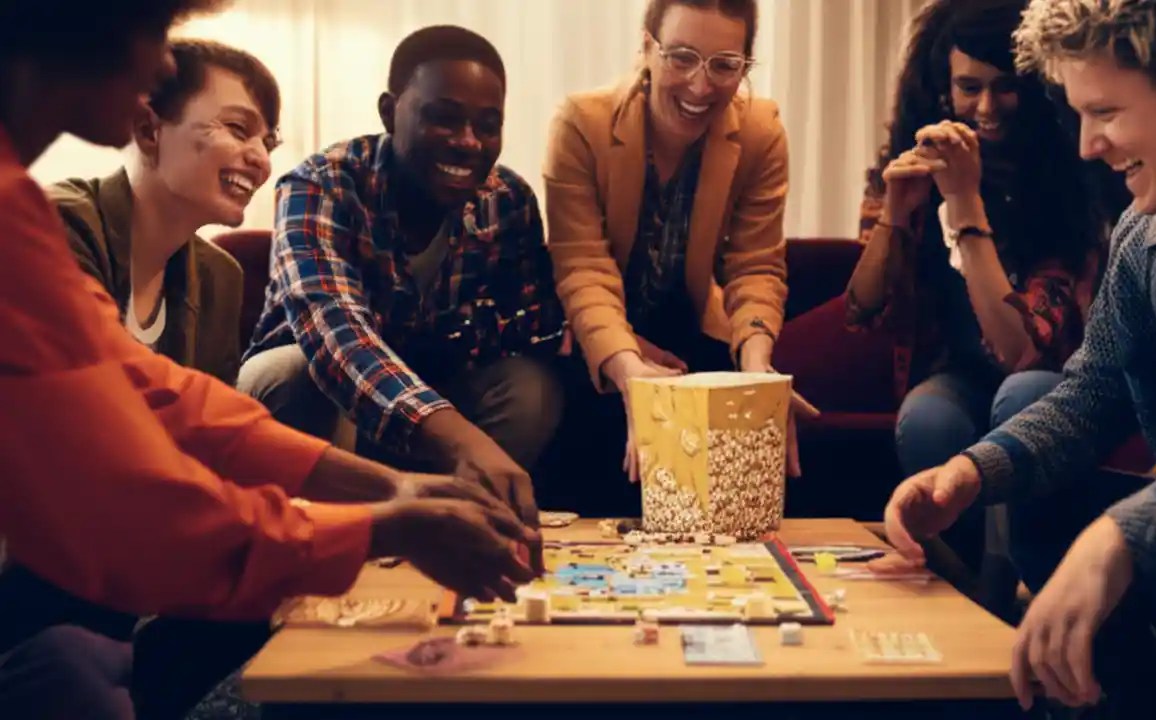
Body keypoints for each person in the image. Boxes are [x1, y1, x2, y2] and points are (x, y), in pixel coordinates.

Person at [0, 3, 540, 719]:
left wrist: (391, 490)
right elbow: (131, 499)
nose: (165, 63)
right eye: (155, 27)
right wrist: (382, 525)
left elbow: (162, 394)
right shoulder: (32, 223)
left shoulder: (34, 213)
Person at [881, 0, 1156, 716]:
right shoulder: (1144, 228)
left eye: (1106, 113)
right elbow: (1094, 391)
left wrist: (1122, 534)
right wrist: (973, 471)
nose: (1087, 145)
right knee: (1036, 503)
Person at [240, 25, 566, 528]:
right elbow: (337, 336)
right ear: (390, 112)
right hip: (318, 404)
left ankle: (457, 523)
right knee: (294, 373)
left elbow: (532, 325)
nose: (468, 143)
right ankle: (330, 538)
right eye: (444, 118)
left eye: (488, 125)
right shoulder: (319, 185)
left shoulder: (507, 200)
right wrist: (463, 438)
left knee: (529, 387)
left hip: (434, 403)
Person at [843, 0, 1108, 593]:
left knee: (1021, 393)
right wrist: (894, 213)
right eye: (969, 87)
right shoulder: (918, 157)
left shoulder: (1068, 180)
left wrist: (964, 204)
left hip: (1050, 379)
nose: (985, 108)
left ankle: (1025, 586)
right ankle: (960, 593)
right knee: (928, 416)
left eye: (1004, 88)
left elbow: (1022, 350)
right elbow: (859, 312)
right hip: (957, 373)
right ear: (944, 87)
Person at [545, 0, 808, 500]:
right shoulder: (581, 124)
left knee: (742, 464)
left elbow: (755, 267)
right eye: (682, 57)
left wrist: (757, 370)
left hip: (690, 330)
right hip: (595, 342)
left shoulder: (760, 132)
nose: (700, 86)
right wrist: (629, 371)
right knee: (593, 461)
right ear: (647, 47)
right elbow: (583, 269)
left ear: (745, 65)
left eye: (725, 65)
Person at [48, 39, 278, 386]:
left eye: (269, 143)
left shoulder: (221, 275)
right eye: (237, 128)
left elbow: (213, 420)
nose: (262, 160)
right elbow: (87, 396)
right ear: (147, 130)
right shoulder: (62, 224)